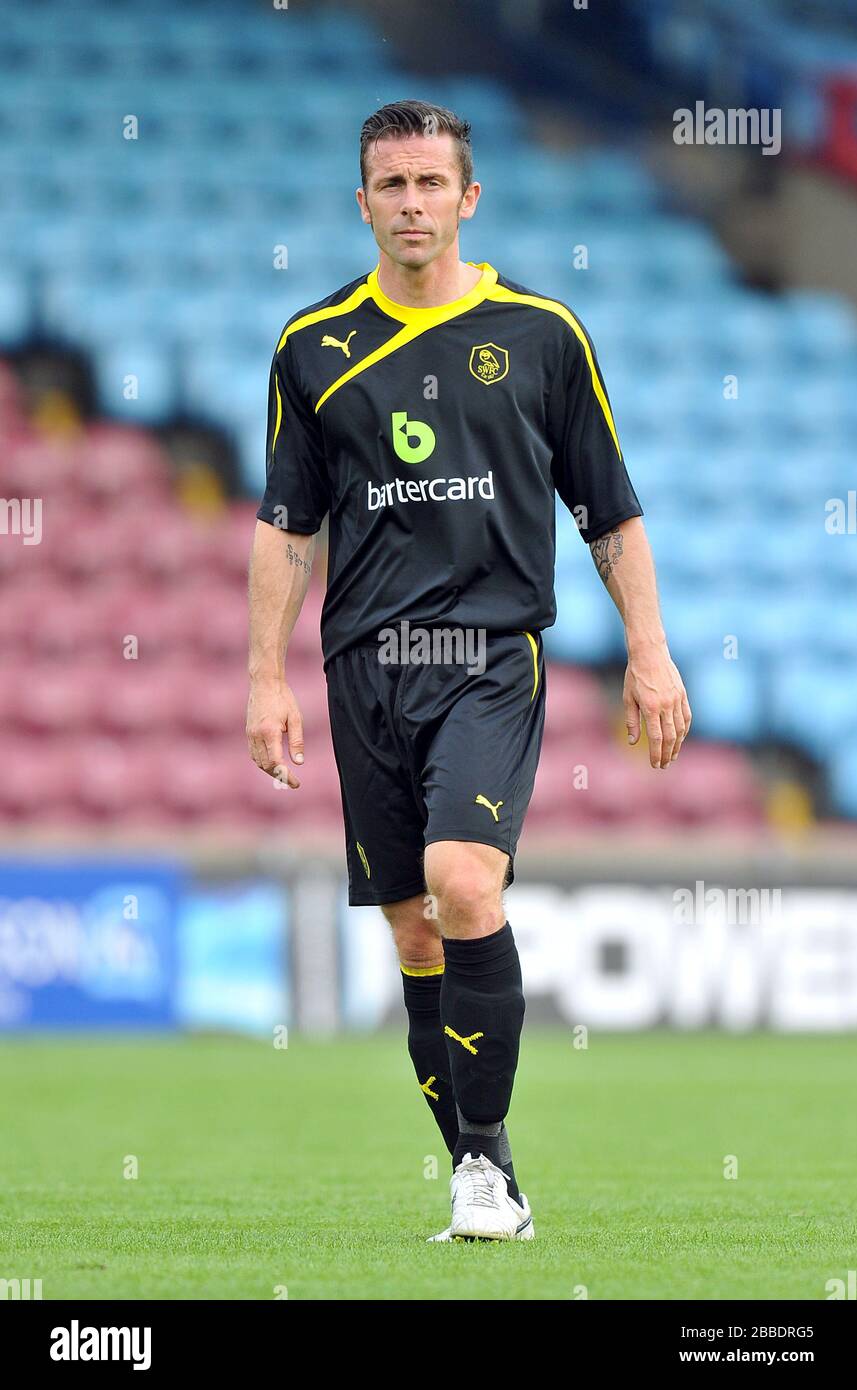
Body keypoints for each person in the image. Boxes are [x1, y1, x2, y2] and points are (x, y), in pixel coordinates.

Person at [247, 100, 691, 1241]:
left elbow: (612, 511)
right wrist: (264, 675)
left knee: (464, 881)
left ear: (468, 198)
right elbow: (289, 527)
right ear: (362, 202)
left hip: (490, 656)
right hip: (366, 669)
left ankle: (486, 1169)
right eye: (389, 186)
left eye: (430, 185)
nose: (411, 205)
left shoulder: (543, 335)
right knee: (412, 933)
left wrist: (649, 648)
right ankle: (480, 1173)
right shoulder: (312, 347)